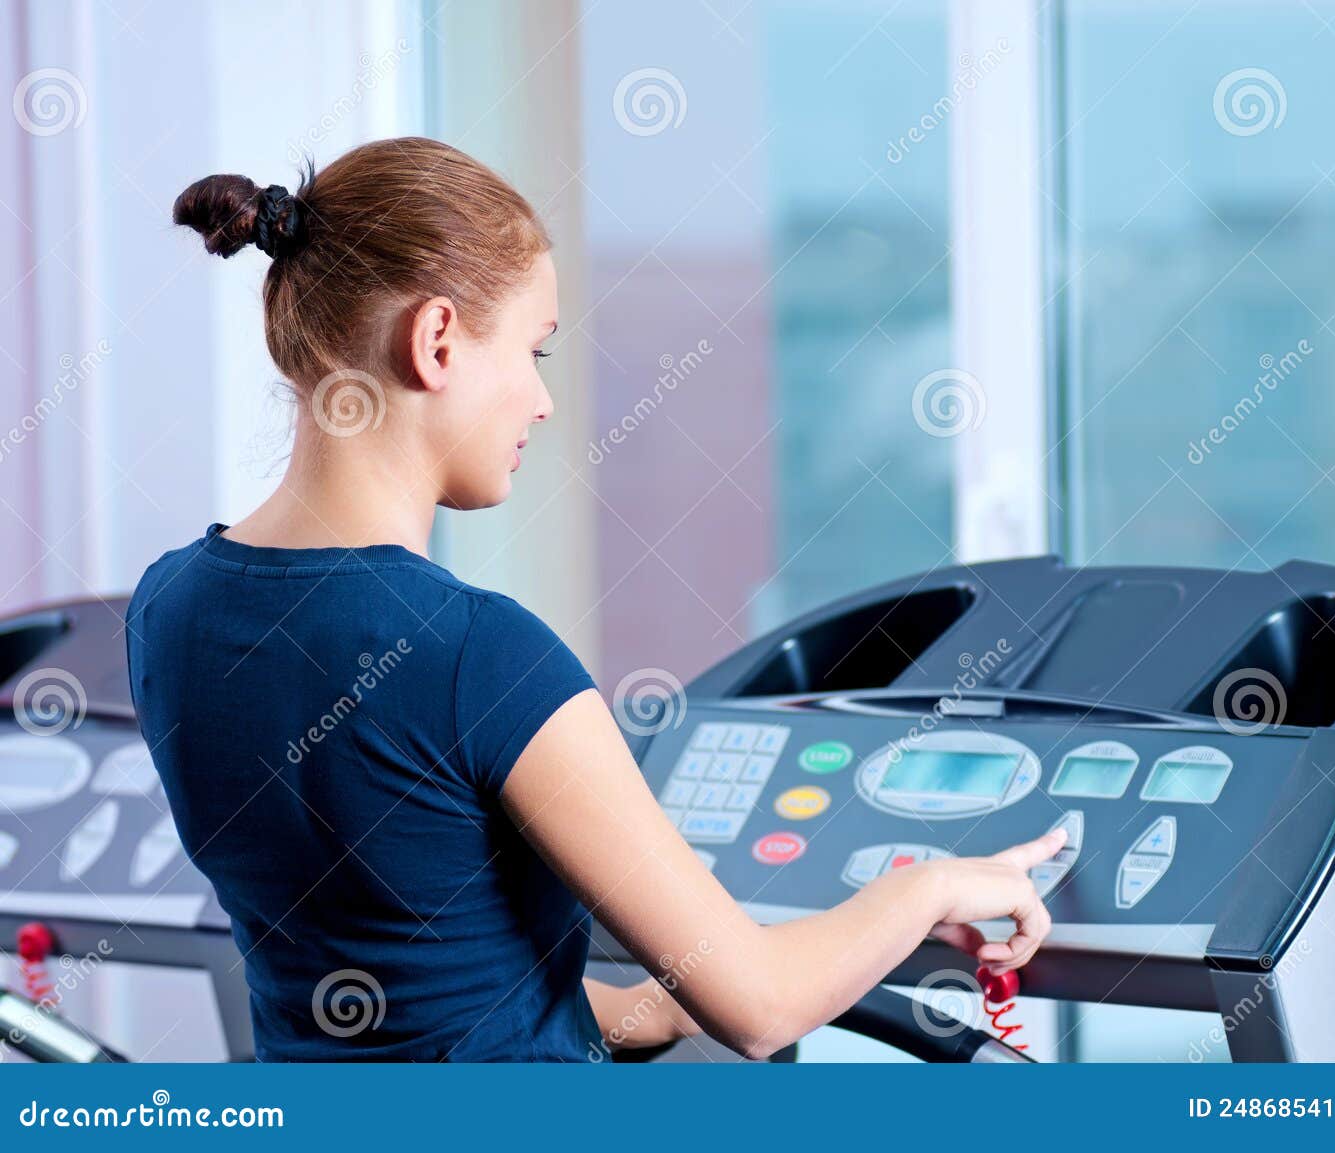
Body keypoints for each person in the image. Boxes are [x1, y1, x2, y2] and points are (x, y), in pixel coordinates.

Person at [127, 136, 1064, 1062]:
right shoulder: (477, 655)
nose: (542, 401)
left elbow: (406, 972)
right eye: (534, 351)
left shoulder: (167, 608)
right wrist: (928, 888)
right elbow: (763, 1004)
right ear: (437, 339)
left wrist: (633, 1010)